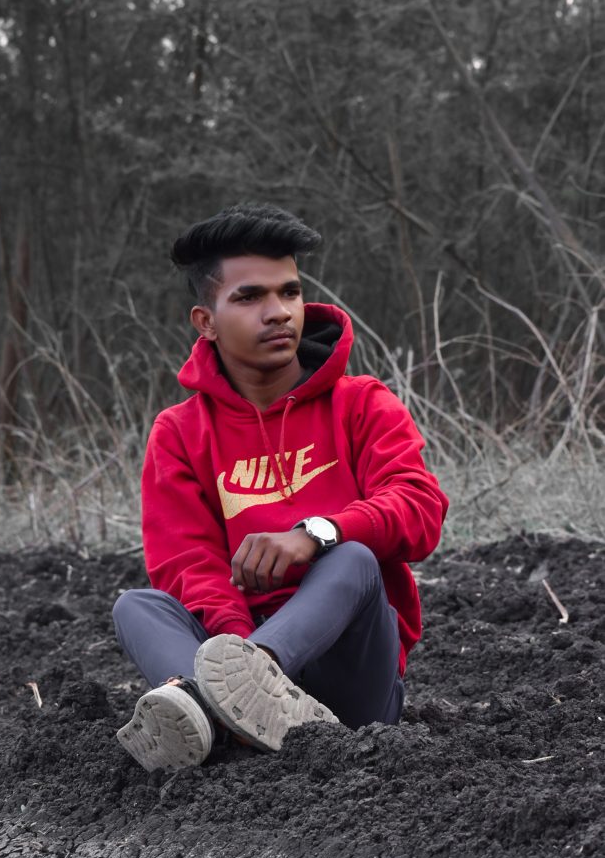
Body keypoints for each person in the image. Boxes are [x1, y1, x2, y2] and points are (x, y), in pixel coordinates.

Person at [113, 203, 448, 772]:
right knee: (138, 605)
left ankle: (213, 705)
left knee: (354, 560)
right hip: (238, 638)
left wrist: (317, 533)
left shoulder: (361, 402)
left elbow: (420, 509)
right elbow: (188, 565)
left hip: (352, 691)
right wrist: (236, 640)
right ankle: (233, 706)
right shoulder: (179, 433)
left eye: (289, 293)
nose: (279, 313)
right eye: (250, 298)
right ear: (207, 321)